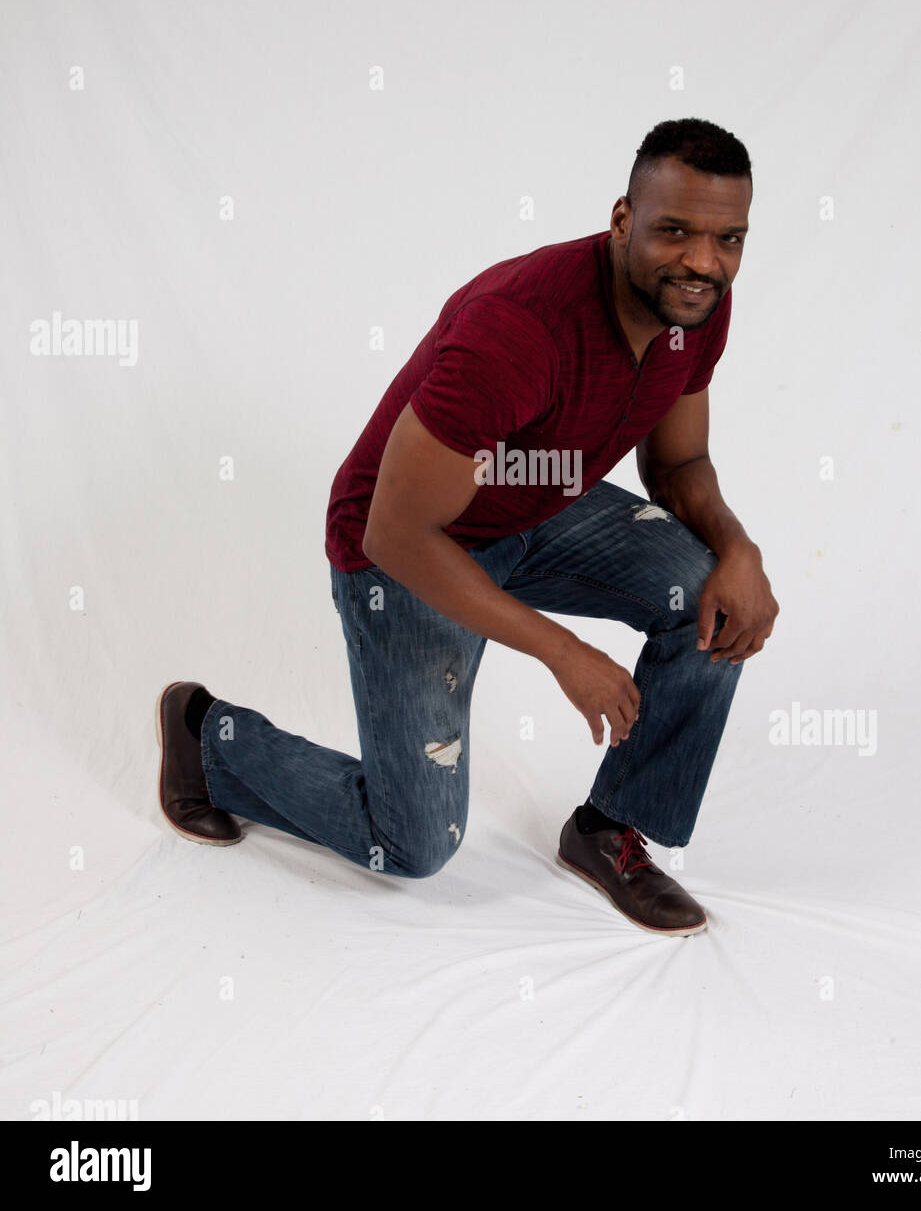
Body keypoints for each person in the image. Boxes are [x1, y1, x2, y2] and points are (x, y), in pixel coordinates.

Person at [155, 117, 779, 937]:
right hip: (410, 548)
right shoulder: (519, 330)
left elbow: (678, 463)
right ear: (622, 220)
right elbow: (396, 532)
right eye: (675, 231)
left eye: (727, 239)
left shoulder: (690, 308)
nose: (703, 261)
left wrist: (738, 548)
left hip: (537, 501)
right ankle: (209, 739)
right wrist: (563, 651)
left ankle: (609, 829)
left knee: (708, 597)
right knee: (411, 844)